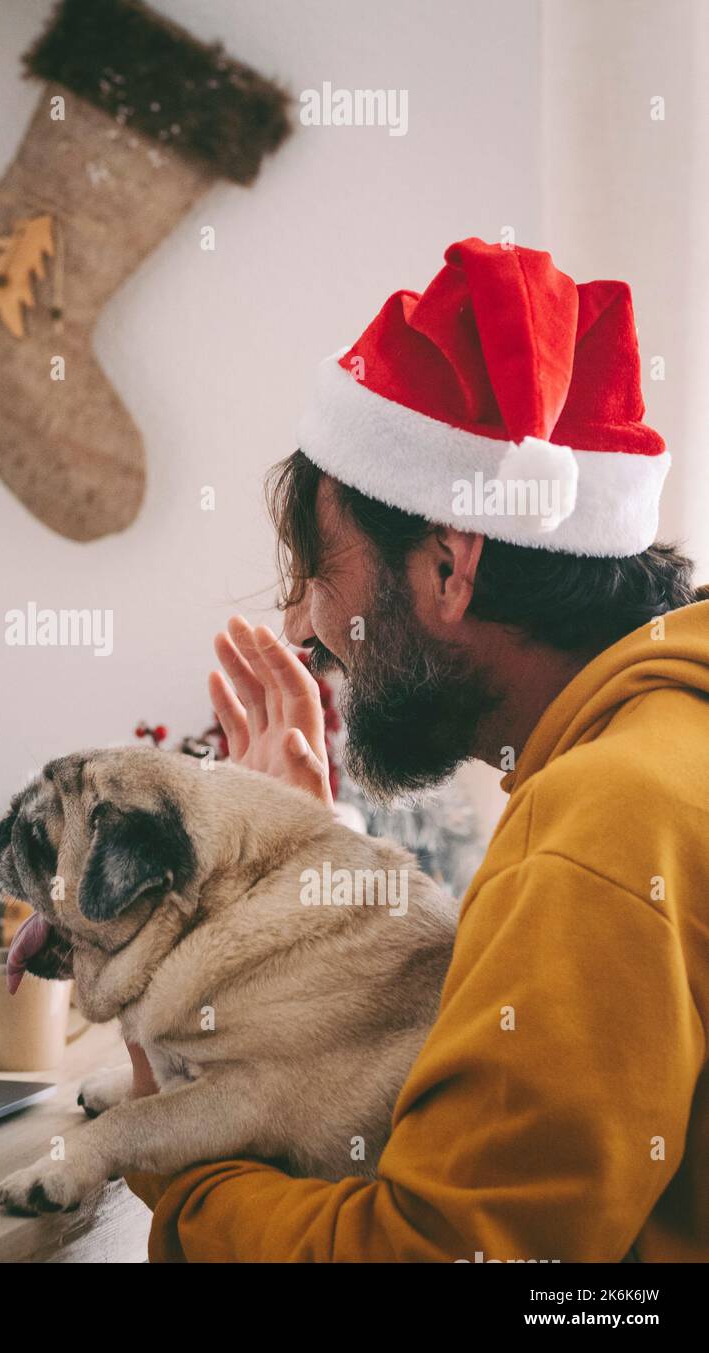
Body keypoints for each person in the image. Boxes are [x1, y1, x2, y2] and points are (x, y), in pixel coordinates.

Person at [122, 238, 709, 1262]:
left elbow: (438, 1255)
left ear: (447, 566)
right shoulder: (665, 746)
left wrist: (181, 1167)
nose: (304, 627)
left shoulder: (603, 830)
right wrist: (311, 881)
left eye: (317, 569)